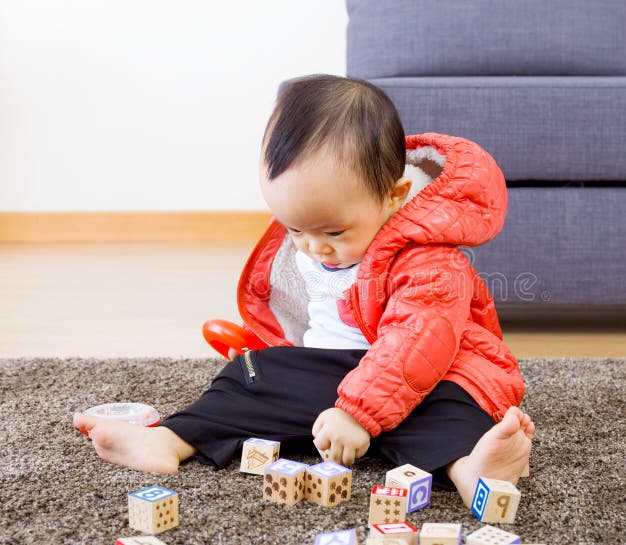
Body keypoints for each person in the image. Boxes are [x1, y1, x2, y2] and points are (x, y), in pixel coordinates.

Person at [73, 74, 534, 507]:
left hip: (431, 374)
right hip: (337, 377)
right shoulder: (315, 241)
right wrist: (284, 363)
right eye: (295, 228)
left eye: (333, 231)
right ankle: (169, 439)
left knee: (453, 408)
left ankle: (471, 468)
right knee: (249, 374)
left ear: (392, 197)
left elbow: (415, 345)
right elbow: (308, 318)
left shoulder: (429, 261)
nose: (314, 247)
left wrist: (357, 414)